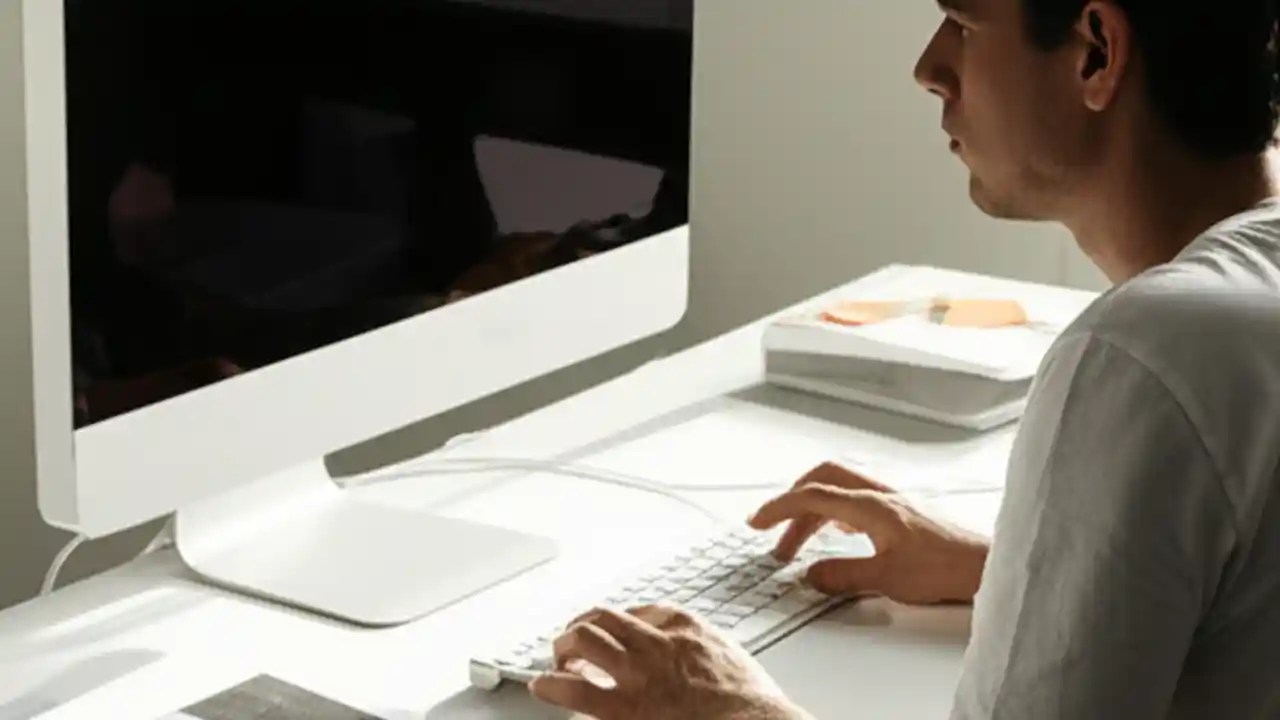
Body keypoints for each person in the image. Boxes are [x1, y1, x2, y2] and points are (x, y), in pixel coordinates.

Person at [528, 0, 1280, 717]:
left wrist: (728, 708)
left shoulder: (1141, 357)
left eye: (963, 23)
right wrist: (1012, 570)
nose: (930, 68)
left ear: (1096, 52)